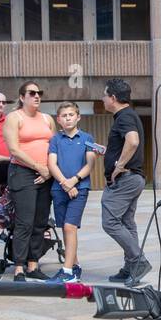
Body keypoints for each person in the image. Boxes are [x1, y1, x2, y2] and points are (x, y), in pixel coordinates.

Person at [3, 82, 55, 281]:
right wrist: (37, 166)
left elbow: (53, 145)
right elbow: (14, 150)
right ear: (22, 97)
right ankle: (19, 267)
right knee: (24, 222)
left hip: (45, 174)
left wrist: (49, 170)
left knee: (40, 221)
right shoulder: (14, 118)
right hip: (23, 172)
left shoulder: (47, 119)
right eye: (32, 93)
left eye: (39, 93)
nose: (36, 96)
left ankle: (34, 265)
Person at [100, 78, 150, 286]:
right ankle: (131, 267)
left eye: (104, 95)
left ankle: (138, 261)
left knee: (110, 222)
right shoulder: (128, 115)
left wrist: (118, 166)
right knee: (127, 223)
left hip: (126, 178)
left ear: (113, 97)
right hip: (133, 178)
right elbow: (129, 142)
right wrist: (109, 155)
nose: (102, 99)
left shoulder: (124, 117)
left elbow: (133, 141)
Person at [47, 101, 97, 282]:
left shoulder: (87, 138)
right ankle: (75, 266)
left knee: (70, 227)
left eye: (71, 115)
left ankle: (67, 272)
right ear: (58, 120)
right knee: (66, 229)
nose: (68, 118)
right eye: (64, 116)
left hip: (79, 189)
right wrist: (64, 183)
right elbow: (51, 163)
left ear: (78, 117)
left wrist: (74, 181)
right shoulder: (55, 140)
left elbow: (90, 163)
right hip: (59, 189)